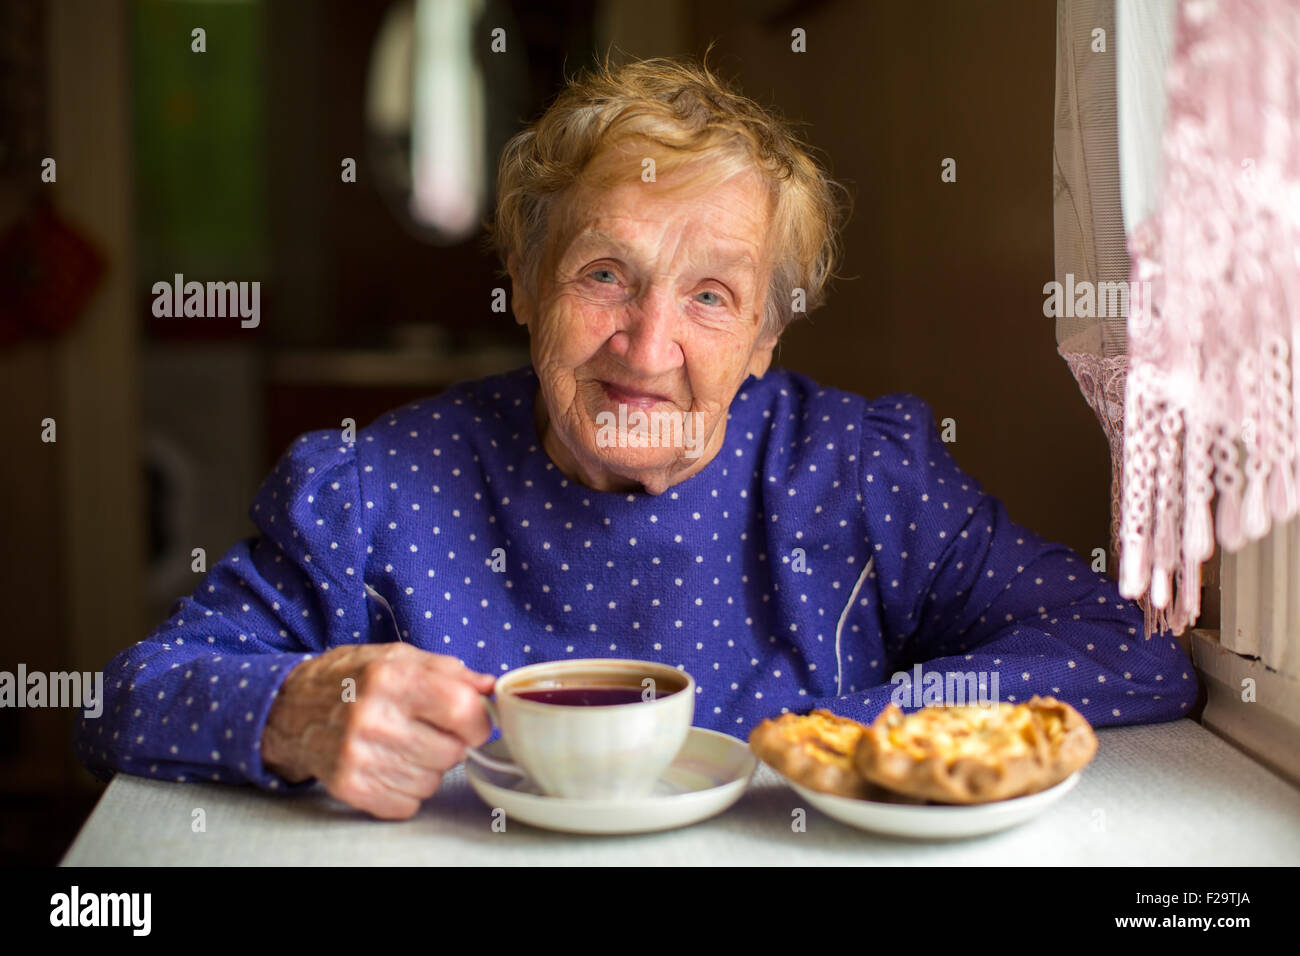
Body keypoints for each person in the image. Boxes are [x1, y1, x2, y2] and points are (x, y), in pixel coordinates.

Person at [77, 54, 1198, 820]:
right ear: (523, 280)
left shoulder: (858, 474)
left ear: (765, 332)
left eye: (712, 296)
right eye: (605, 274)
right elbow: (132, 691)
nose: (648, 343)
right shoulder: (374, 490)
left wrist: (848, 731)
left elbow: (1123, 646)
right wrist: (294, 712)